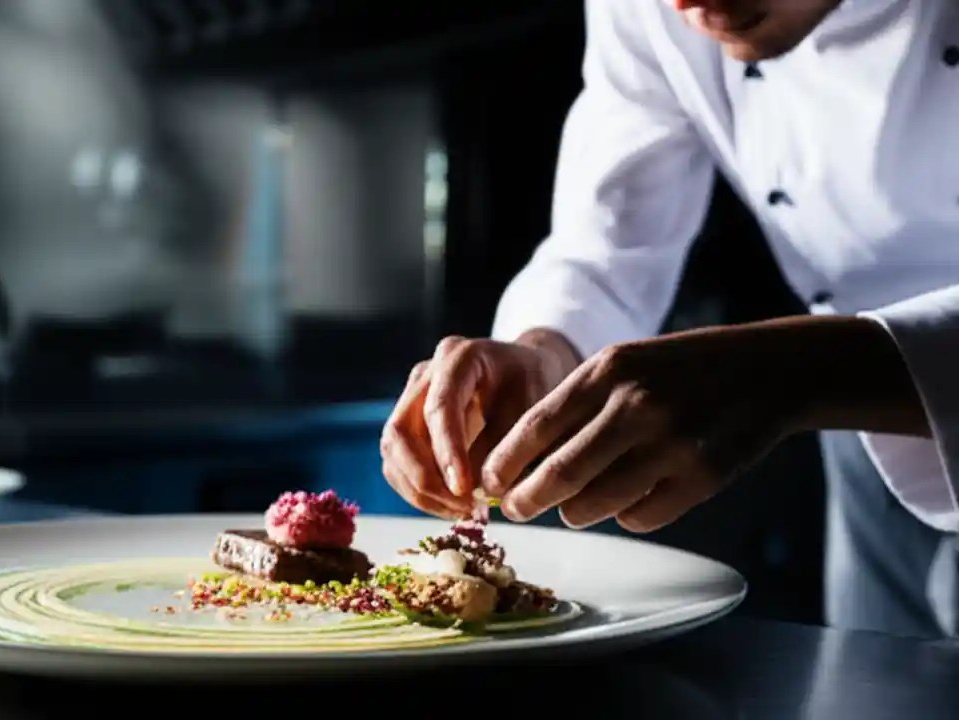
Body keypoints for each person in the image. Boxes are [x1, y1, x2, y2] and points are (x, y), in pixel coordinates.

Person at [380, 0, 959, 640]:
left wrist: (794, 374)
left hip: (860, 388)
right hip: (861, 441)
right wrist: (541, 352)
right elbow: (608, 240)